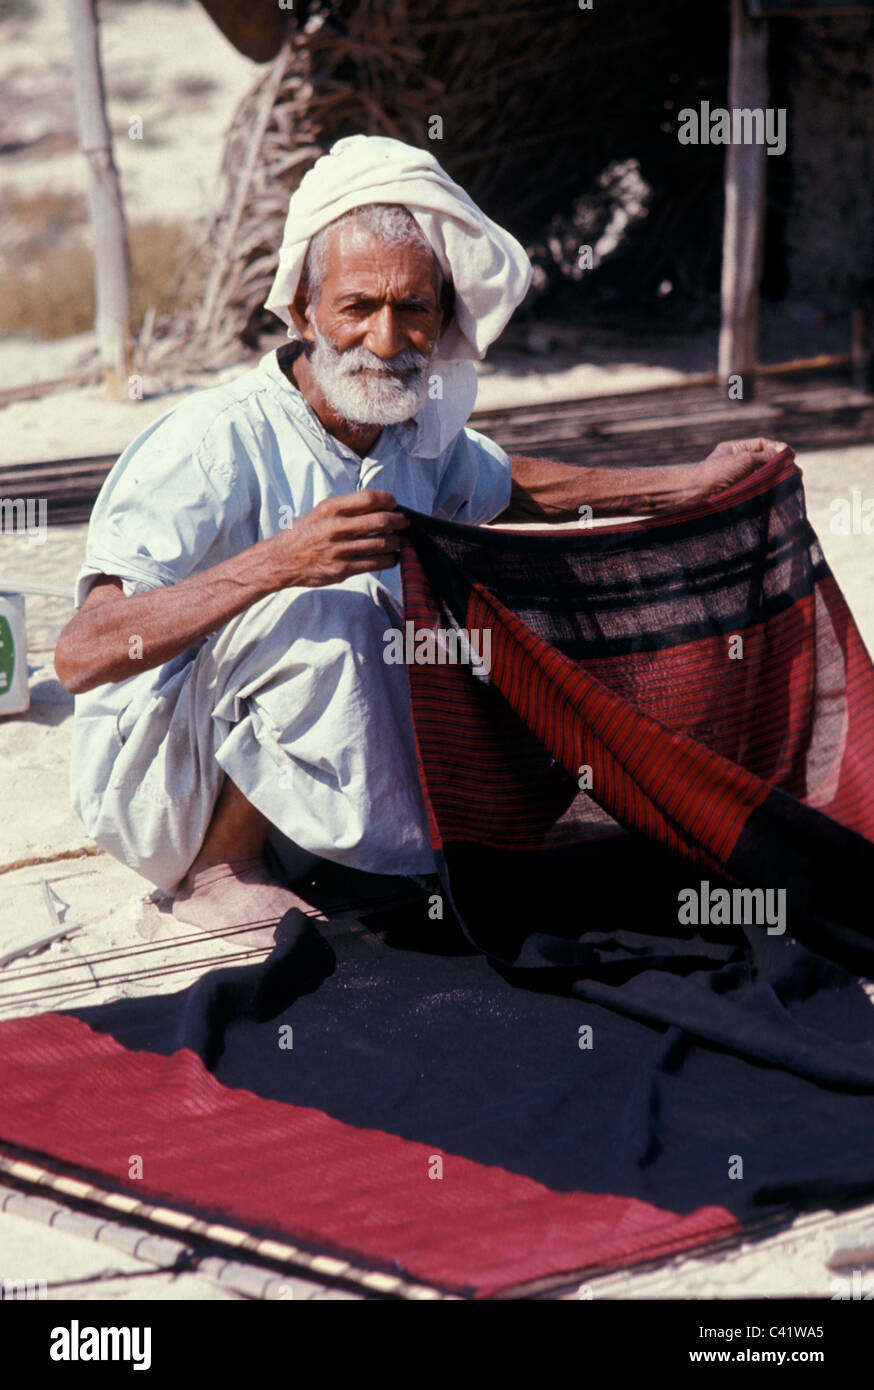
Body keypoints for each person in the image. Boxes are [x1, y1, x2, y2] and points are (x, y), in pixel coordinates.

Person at [54, 135, 786, 942]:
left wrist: (685, 483)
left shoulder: (408, 427)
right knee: (331, 609)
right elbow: (83, 653)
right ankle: (224, 870)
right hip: (164, 784)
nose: (387, 339)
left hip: (307, 768)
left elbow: (515, 488)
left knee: (498, 607)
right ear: (303, 312)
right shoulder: (210, 443)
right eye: (358, 308)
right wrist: (279, 564)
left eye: (413, 309)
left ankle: (359, 846)